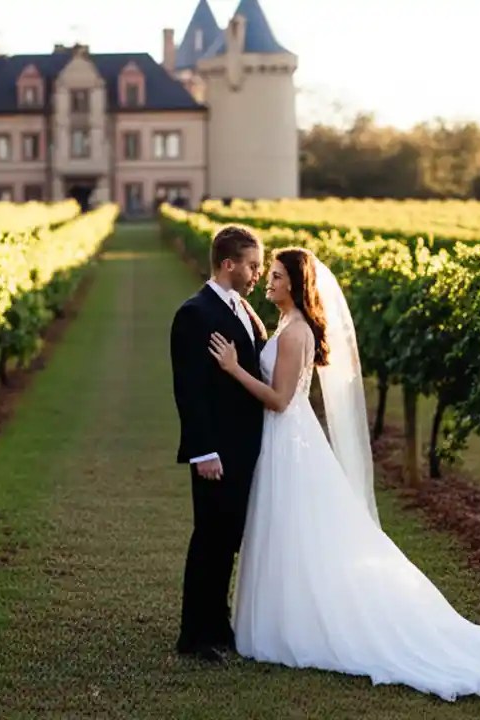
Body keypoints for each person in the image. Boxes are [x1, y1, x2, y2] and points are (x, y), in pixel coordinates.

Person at [205, 246, 480, 700]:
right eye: (270, 275)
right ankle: (279, 618)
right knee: (288, 532)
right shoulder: (285, 324)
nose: (270, 281)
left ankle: (290, 625)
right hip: (289, 440)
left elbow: (280, 399)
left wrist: (233, 369)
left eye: (278, 276)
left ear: (297, 285)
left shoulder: (296, 331)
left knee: (295, 532)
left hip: (289, 438)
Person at [169, 224, 267, 663]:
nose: (258, 274)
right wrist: (203, 450)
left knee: (227, 537)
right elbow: (190, 390)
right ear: (228, 264)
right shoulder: (196, 313)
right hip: (219, 450)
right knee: (210, 538)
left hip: (245, 446)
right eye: (252, 265)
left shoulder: (242, 308)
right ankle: (195, 635)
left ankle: (219, 624)